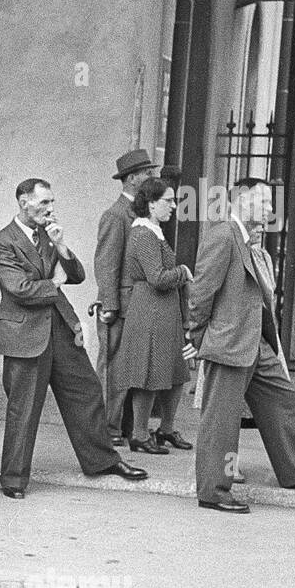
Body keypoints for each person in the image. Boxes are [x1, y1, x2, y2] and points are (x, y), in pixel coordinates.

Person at [0, 178, 148, 498]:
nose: (50, 209)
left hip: (60, 327)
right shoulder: (1, 242)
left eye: (51, 202)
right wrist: (55, 282)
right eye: (44, 203)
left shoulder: (48, 235)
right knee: (24, 407)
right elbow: (20, 290)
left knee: (86, 390)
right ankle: (14, 479)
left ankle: (101, 460)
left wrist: (60, 245)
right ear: (23, 202)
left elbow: (77, 276)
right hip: (25, 333)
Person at [187, 177, 295, 513]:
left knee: (285, 397)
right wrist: (200, 338)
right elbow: (201, 293)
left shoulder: (245, 240)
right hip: (228, 343)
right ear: (242, 201)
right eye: (265, 201)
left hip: (254, 342)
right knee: (222, 422)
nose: (271, 208)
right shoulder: (223, 236)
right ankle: (214, 491)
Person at [116, 178, 193, 454]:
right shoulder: (143, 234)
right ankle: (138, 433)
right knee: (148, 374)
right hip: (150, 311)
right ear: (150, 203)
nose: (173, 205)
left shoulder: (154, 232)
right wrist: (184, 272)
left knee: (176, 371)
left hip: (164, 312)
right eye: (168, 200)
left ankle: (166, 429)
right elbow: (158, 278)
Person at [93, 149, 159, 445]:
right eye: (146, 173)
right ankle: (106, 428)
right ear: (132, 179)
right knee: (113, 368)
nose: (151, 177)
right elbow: (106, 263)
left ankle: (125, 428)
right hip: (119, 306)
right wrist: (109, 305)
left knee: (129, 367)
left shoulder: (140, 213)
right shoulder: (115, 215)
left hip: (136, 305)